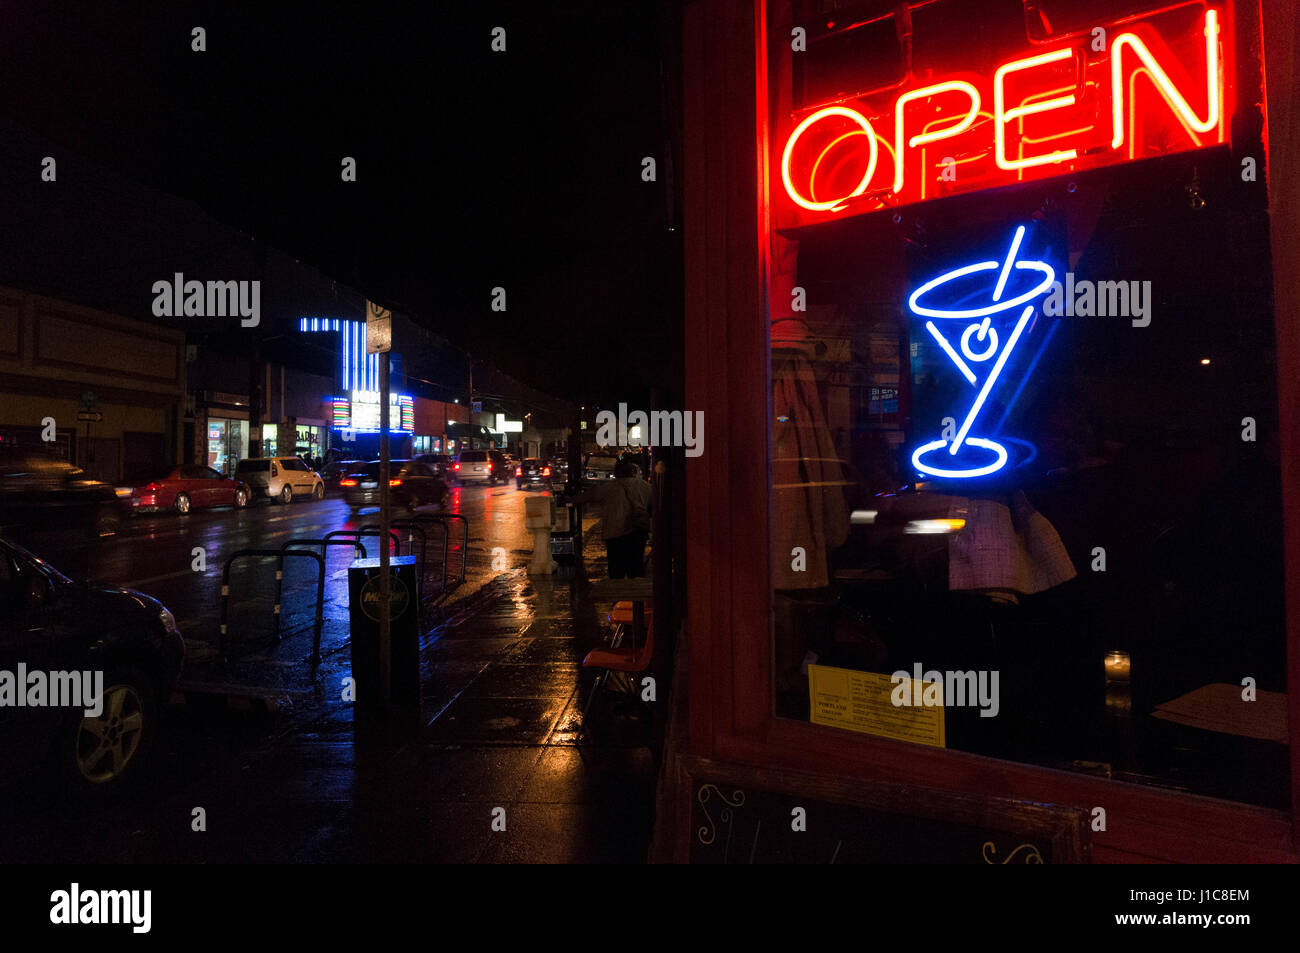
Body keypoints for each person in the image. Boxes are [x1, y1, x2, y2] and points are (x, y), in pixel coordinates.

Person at [571, 457, 653, 578]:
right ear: (632, 472)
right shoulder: (645, 486)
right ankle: (636, 593)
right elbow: (653, 506)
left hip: (614, 534)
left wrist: (570, 499)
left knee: (616, 570)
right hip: (637, 533)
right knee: (635, 568)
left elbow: (587, 496)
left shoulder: (608, 488)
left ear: (616, 473)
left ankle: (616, 592)